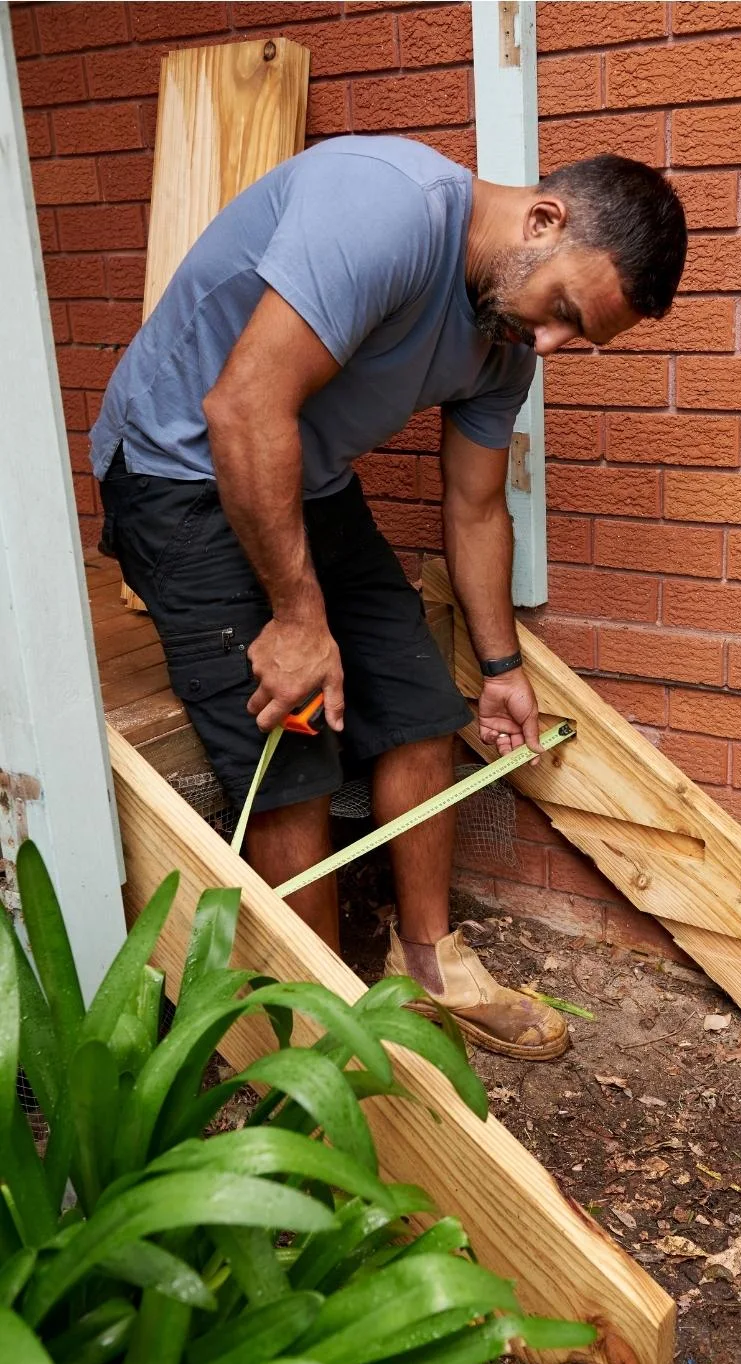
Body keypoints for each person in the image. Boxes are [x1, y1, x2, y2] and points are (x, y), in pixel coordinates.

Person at [91, 137, 687, 1061]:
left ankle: (427, 964)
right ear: (542, 220)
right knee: (294, 745)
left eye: (579, 338)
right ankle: (322, 1033)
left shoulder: (505, 343)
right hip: (178, 468)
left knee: (417, 705)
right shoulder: (385, 209)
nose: (550, 345)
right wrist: (298, 621)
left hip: (304, 476)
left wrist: (500, 668)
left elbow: (477, 504)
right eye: (563, 311)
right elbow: (241, 410)